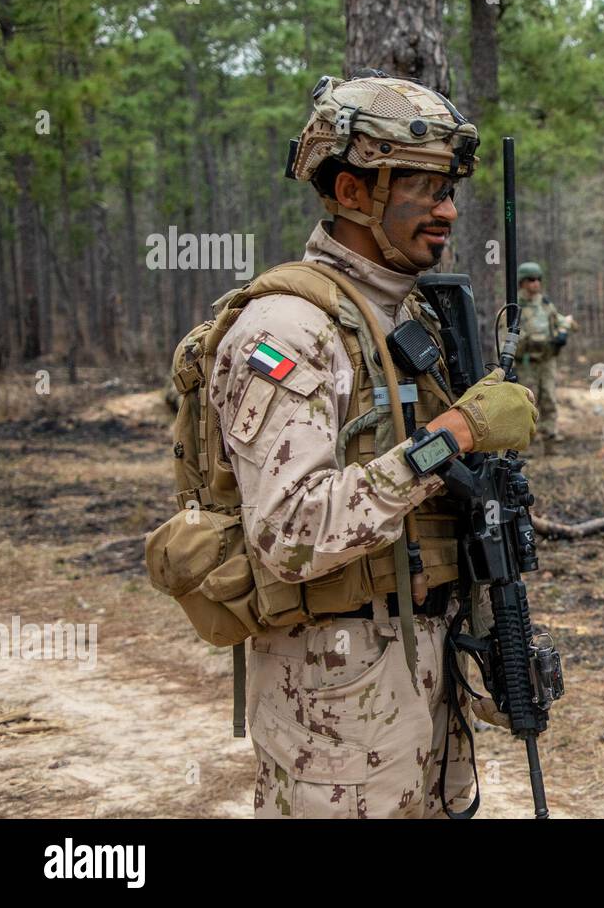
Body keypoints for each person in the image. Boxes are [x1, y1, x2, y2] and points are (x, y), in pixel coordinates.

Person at [211, 71, 537, 817]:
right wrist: (451, 437)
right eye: (425, 188)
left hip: (428, 661)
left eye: (449, 189)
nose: (448, 210)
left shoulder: (411, 317)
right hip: (335, 687)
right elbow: (289, 534)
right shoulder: (289, 330)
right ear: (353, 192)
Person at [514, 261, 572, 445]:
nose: (536, 283)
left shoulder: (545, 303)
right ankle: (525, 440)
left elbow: (562, 320)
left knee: (549, 396)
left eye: (539, 279)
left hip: (547, 360)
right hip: (526, 362)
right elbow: (506, 336)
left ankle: (550, 435)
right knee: (526, 401)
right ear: (522, 282)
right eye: (531, 279)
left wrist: (562, 333)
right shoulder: (514, 306)